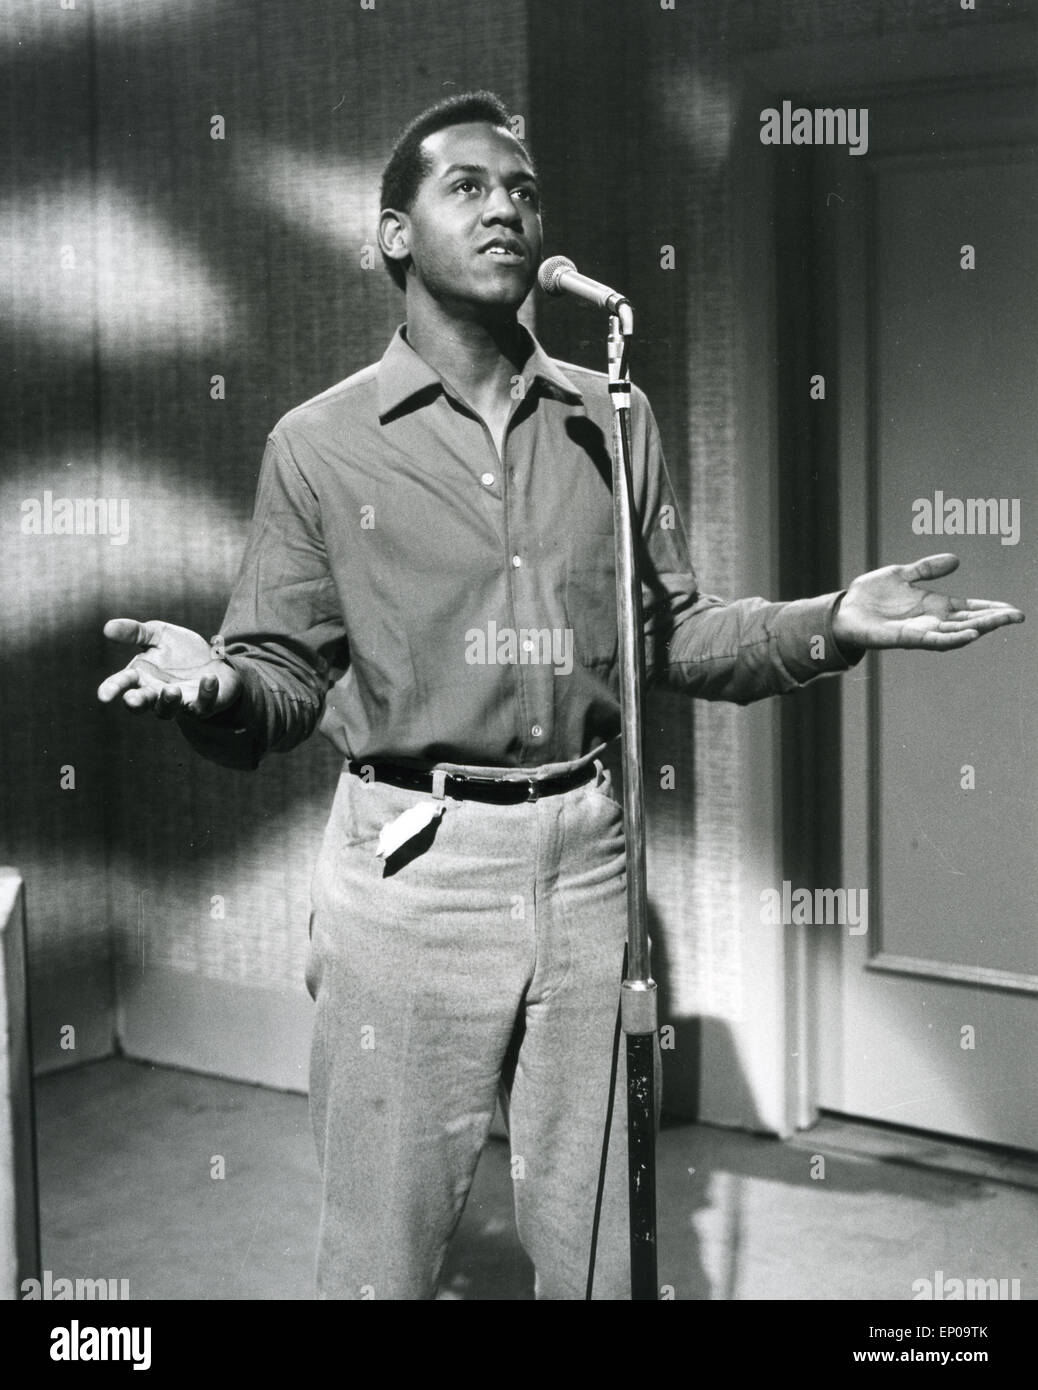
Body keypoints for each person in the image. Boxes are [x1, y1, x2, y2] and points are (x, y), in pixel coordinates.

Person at [97, 91, 1024, 1300]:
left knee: (597, 1243)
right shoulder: (319, 445)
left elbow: (670, 638)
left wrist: (828, 625)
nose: (507, 209)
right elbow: (279, 680)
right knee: (379, 1250)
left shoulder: (611, 418)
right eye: (469, 187)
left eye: (524, 190)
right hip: (409, 874)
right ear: (392, 235)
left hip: (590, 856)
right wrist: (217, 683)